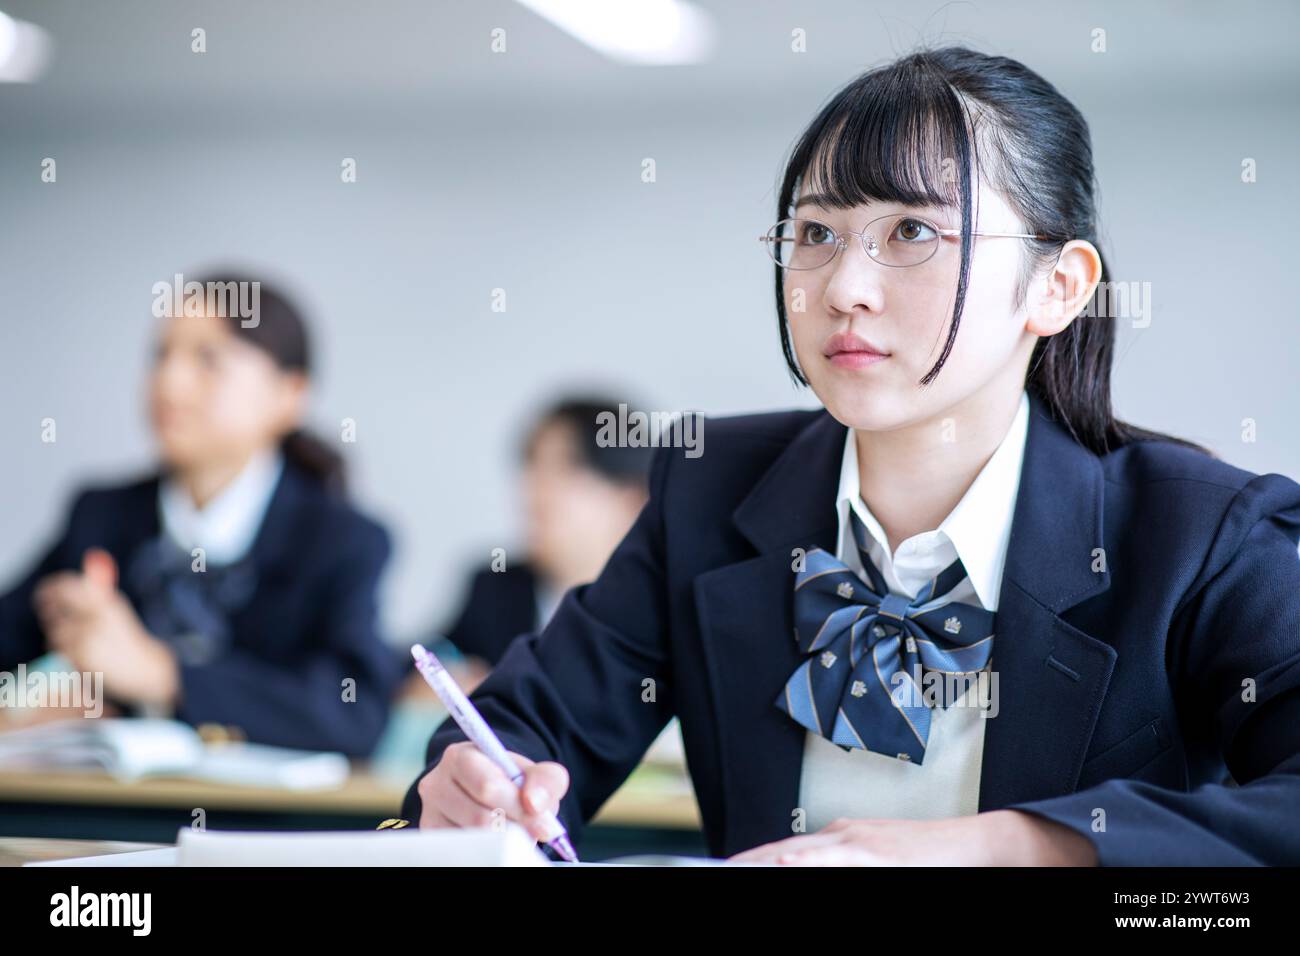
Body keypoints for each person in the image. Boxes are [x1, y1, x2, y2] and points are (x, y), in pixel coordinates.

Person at [400, 47, 1300, 865]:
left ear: (1056, 287)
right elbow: (525, 727)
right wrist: (472, 789)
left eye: (913, 232)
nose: (843, 289)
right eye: (817, 233)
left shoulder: (1206, 535)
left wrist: (1010, 850)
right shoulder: (710, 488)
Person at [0, 274, 399, 756]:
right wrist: (25, 700)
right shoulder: (103, 515)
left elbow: (352, 712)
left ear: (289, 395)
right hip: (112, 806)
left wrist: (162, 673)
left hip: (263, 823)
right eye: (160, 357)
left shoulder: (342, 539)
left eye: (208, 360)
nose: (168, 383)